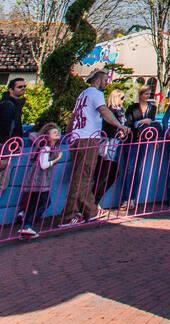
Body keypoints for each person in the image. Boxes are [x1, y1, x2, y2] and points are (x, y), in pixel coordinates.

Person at [60, 68, 126, 226]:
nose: (106, 83)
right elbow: (104, 111)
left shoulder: (82, 95)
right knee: (83, 177)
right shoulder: (96, 94)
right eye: (105, 80)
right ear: (98, 80)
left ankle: (87, 211)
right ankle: (70, 216)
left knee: (82, 176)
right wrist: (120, 126)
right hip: (88, 138)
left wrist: (69, 134)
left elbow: (73, 116)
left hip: (77, 137)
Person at [19, 124, 63, 238]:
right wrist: (57, 159)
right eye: (54, 133)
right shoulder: (46, 148)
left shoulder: (50, 147)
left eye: (58, 132)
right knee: (44, 202)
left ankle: (26, 225)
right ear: (47, 136)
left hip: (37, 180)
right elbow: (43, 165)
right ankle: (28, 225)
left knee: (33, 203)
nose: (57, 134)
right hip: (39, 181)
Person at [91, 87, 127, 214]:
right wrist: (119, 131)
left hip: (114, 147)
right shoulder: (109, 111)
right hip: (106, 147)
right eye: (122, 98)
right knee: (103, 174)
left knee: (112, 174)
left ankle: (95, 201)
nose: (123, 101)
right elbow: (105, 128)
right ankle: (94, 203)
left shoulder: (120, 112)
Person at [0, 75, 27, 192]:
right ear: (11, 90)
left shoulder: (14, 105)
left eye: (24, 86)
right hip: (4, 150)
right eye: (19, 87)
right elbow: (4, 131)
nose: (23, 89)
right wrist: (4, 155)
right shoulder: (8, 105)